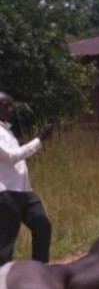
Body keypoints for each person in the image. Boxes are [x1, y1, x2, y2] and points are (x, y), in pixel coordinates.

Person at [0, 92, 53, 265]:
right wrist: (39, 139)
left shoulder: (6, 130)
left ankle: (39, 270)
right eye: (6, 105)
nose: (10, 109)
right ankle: (3, 284)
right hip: (7, 192)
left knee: (42, 226)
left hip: (24, 191)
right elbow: (11, 157)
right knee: (6, 243)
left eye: (10, 105)